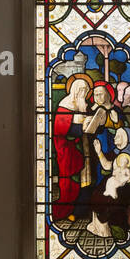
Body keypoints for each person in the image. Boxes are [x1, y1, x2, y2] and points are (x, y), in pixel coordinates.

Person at [52, 75, 94, 222]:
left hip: (85, 149)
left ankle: (81, 209)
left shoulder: (84, 105)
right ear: (75, 91)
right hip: (69, 151)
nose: (84, 94)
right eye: (81, 90)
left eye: (86, 90)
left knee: (86, 178)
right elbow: (61, 130)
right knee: (70, 180)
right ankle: (67, 208)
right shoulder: (65, 106)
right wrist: (80, 128)